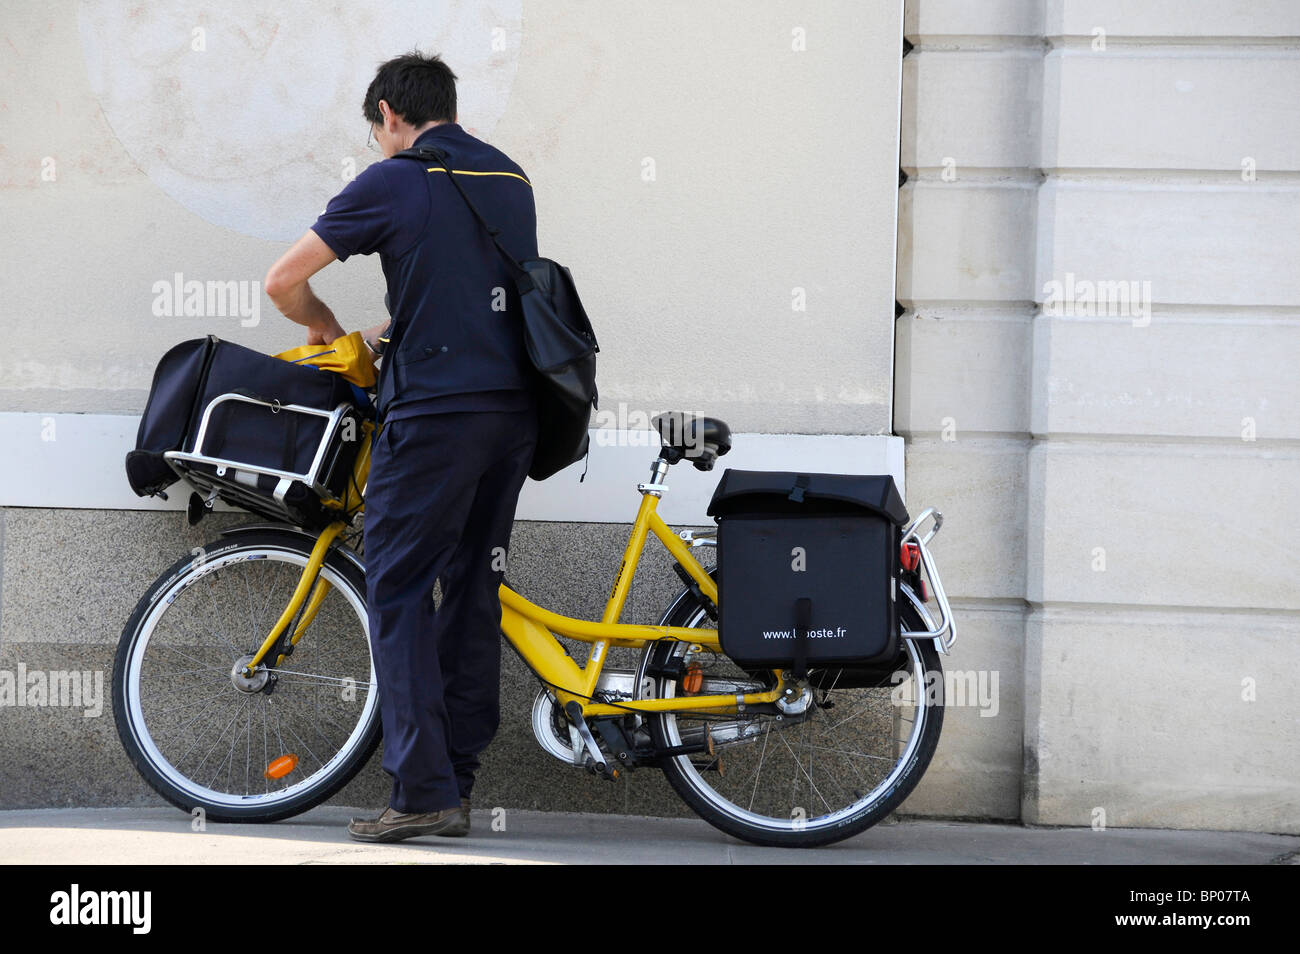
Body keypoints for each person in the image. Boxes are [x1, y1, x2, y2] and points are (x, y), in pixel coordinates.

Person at [264, 51, 539, 842]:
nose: (380, 143)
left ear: (388, 113)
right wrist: (390, 333)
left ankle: (422, 792)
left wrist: (323, 328)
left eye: (377, 130)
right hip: (512, 412)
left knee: (396, 586)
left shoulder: (392, 179)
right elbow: (466, 296)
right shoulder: (510, 177)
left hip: (435, 418)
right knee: (474, 589)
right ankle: (457, 780)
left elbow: (283, 281)